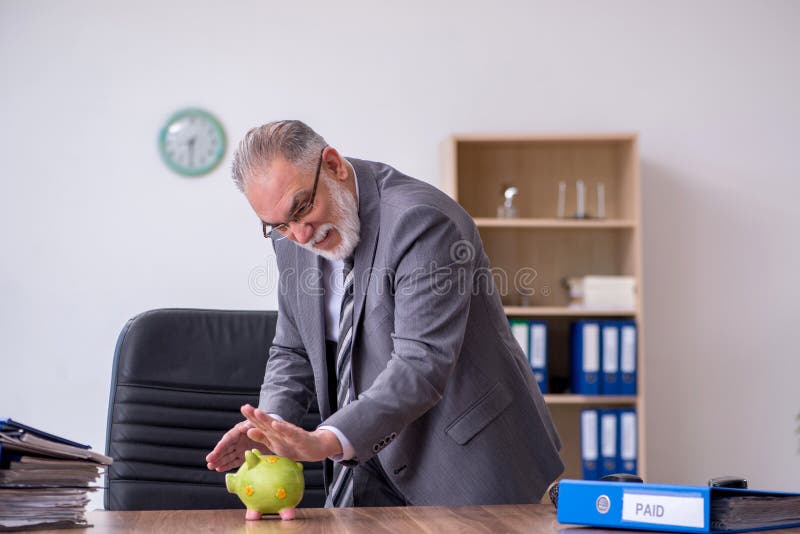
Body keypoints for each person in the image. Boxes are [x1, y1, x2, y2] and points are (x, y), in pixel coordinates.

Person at [205, 120, 564, 507]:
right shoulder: (292, 235)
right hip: (366, 464)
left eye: (303, 208)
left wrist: (326, 440)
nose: (302, 235)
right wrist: (269, 428)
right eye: (279, 226)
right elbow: (293, 350)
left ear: (333, 166)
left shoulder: (423, 221)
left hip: (465, 463)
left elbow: (421, 363)